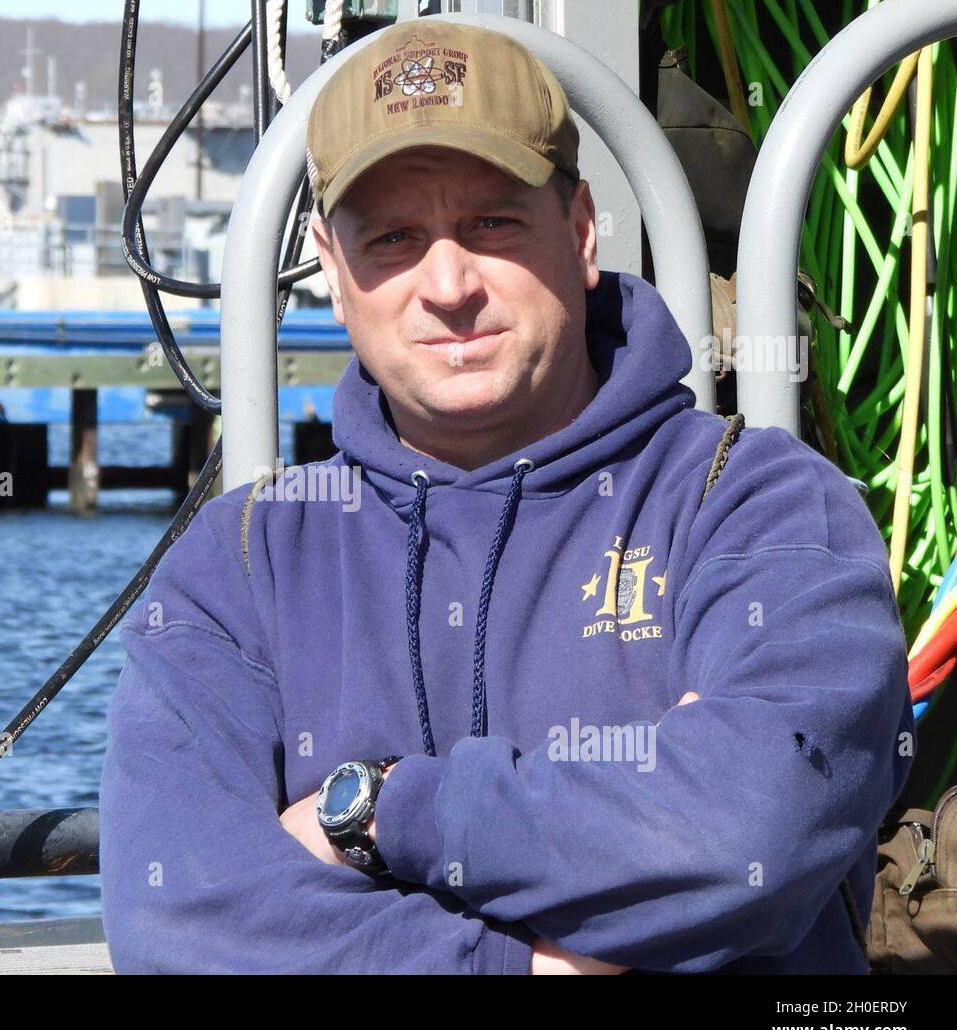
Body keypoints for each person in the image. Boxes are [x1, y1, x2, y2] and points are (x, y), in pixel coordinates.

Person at [99, 19, 914, 974]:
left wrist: (378, 810)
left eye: (490, 223)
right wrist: (523, 965)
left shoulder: (757, 506)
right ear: (329, 262)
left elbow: (750, 833)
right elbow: (175, 910)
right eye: (395, 237)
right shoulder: (243, 563)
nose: (447, 285)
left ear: (579, 231)